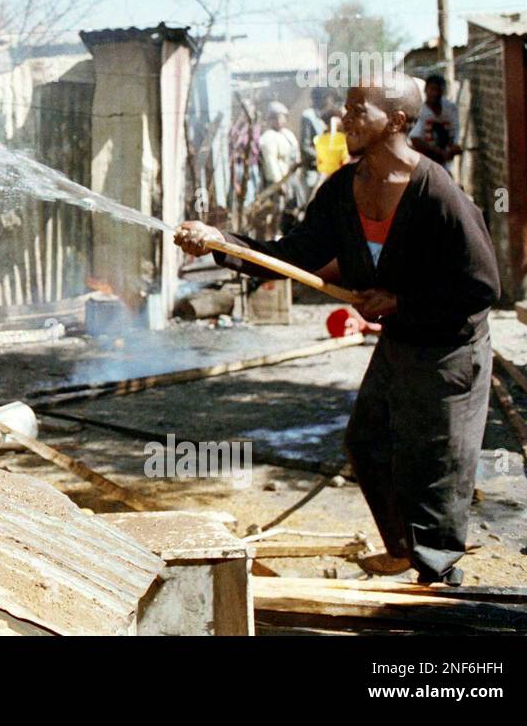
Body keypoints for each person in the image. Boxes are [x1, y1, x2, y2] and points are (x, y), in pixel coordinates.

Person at [175, 72, 499, 586]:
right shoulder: (343, 189)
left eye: (356, 111)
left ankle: (438, 579)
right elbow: (290, 255)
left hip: (449, 346)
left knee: (433, 460)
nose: (342, 119)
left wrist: (401, 299)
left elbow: (482, 286)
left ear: (395, 121)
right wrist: (222, 243)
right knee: (368, 442)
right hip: (401, 339)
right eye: (344, 110)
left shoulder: (438, 193)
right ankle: (403, 548)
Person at [257, 101, 303, 236]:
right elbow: (271, 161)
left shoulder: (288, 134)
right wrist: (279, 184)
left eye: (281, 116)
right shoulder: (268, 137)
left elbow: (295, 155)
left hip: (292, 179)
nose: (279, 120)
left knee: (293, 208)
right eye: (275, 117)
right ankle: (274, 235)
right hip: (278, 181)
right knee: (278, 210)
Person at [409, 73, 462, 170]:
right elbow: (415, 139)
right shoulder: (420, 110)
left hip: (444, 162)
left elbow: (455, 131)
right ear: (426, 89)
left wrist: (453, 147)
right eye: (432, 89)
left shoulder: (450, 108)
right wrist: (439, 152)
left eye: (438, 90)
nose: (435, 93)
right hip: (425, 160)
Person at [300, 87, 342, 191]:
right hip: (313, 170)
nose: (331, 102)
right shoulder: (308, 116)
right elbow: (305, 146)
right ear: (324, 98)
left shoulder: (327, 117)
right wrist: (324, 157)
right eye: (330, 98)